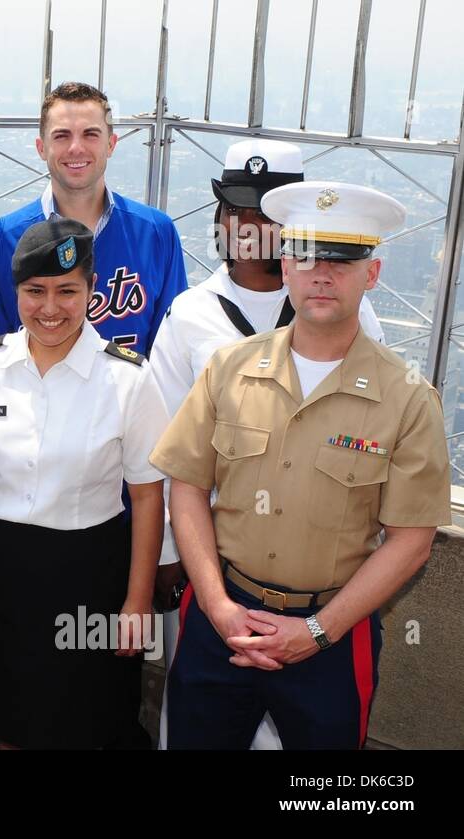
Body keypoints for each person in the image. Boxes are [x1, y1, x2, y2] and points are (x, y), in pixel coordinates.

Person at [150, 181, 450, 749]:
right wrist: (216, 606)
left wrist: (317, 632)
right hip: (222, 624)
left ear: (373, 273)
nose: (322, 275)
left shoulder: (408, 398)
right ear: (285, 265)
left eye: (344, 260)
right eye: (307, 256)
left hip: (334, 636)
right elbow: (186, 487)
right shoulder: (228, 370)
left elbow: (411, 539)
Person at [0, 218, 168, 749]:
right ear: (16, 292)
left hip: (91, 573)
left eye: (67, 291)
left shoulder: (127, 378)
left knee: (89, 719)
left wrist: (136, 601)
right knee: (6, 716)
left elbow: (147, 494)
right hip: (1, 567)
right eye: (34, 291)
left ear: (92, 290)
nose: (50, 308)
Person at [0, 81, 186, 358]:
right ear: (42, 148)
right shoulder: (1, 239)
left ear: (111, 144)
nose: (76, 148)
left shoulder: (156, 233)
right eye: (62, 136)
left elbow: (172, 355)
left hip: (129, 398)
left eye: (90, 134)